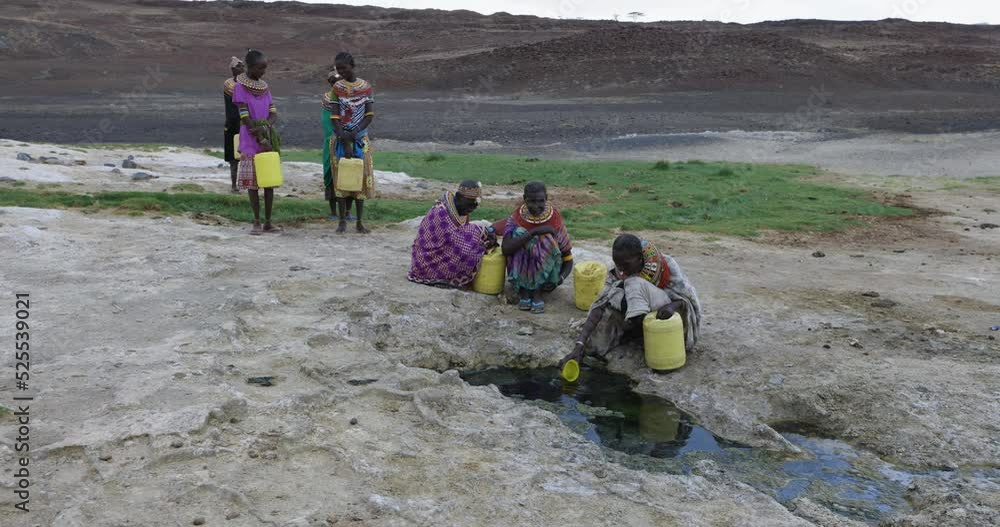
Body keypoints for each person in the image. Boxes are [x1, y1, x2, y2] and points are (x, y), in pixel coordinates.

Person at [560, 234, 702, 367]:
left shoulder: (667, 265)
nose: (621, 270)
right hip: (637, 315)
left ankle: (636, 330)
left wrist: (672, 306)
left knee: (633, 283)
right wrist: (579, 345)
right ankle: (634, 331)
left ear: (640, 258)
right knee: (594, 346)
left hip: (665, 315)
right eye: (617, 263)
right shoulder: (617, 271)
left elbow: (688, 300)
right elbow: (599, 306)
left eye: (625, 264)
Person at [408, 181, 498, 289]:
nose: (471, 209)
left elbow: (459, 233)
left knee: (475, 236)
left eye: (474, 206)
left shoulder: (457, 209)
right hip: (426, 264)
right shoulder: (440, 212)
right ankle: (446, 278)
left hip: (430, 259)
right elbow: (459, 241)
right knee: (470, 247)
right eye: (469, 204)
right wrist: (483, 232)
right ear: (459, 197)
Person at [501, 181, 573, 314]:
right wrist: (534, 232)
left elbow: (568, 257)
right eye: (531, 201)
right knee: (519, 234)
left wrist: (560, 279)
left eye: (540, 201)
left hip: (546, 278)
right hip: (523, 277)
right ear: (524, 199)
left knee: (546, 238)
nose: (536, 206)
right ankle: (524, 290)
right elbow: (506, 249)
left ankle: (537, 291)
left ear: (546, 198)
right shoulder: (517, 218)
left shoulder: (554, 218)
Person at [325, 52, 375, 234]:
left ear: (352, 66)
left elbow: (369, 115)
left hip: (360, 138)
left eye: (343, 68)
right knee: (342, 180)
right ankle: (342, 220)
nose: (340, 72)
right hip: (340, 138)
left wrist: (354, 133)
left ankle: (359, 221)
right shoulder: (337, 88)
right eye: (338, 69)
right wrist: (343, 136)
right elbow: (335, 115)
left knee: (359, 180)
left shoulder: (366, 88)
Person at [233, 49, 281, 235]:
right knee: (252, 184)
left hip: (266, 135)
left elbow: (273, 112)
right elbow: (244, 116)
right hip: (251, 138)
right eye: (260, 68)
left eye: (265, 68)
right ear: (250, 67)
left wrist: (266, 128)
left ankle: (268, 222)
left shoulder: (264, 87)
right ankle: (256, 221)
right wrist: (260, 137)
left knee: (268, 182)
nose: (263, 72)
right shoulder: (240, 87)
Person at [223, 57, 246, 193]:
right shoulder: (229, 84)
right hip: (233, 124)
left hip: (244, 123)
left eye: (243, 66)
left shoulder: (245, 83)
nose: (242, 69)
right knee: (233, 158)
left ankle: (246, 184)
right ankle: (234, 185)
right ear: (233, 69)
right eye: (240, 66)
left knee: (247, 156)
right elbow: (238, 96)